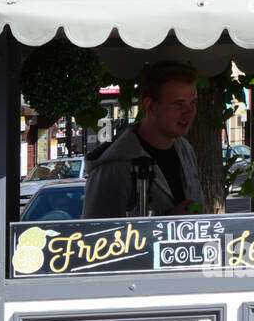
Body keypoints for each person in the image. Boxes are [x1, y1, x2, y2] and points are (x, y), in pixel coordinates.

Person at [82, 61, 204, 218]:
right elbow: (97, 237)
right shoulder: (113, 168)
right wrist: (168, 222)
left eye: (193, 103)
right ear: (151, 106)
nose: (190, 112)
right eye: (179, 104)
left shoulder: (185, 149)